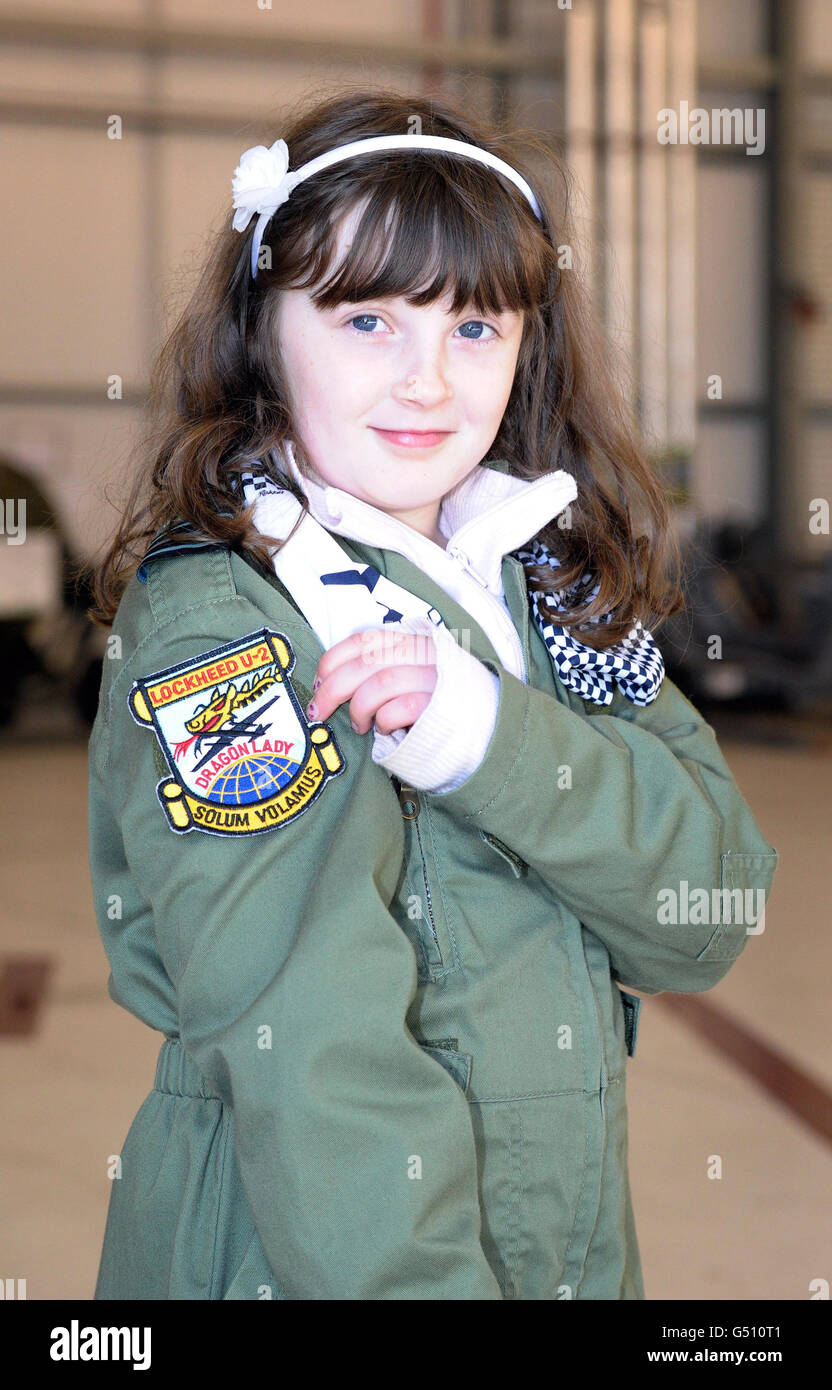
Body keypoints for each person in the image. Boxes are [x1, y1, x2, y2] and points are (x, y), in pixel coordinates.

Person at [86, 88, 778, 1301]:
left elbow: (707, 911)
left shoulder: (550, 579)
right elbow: (311, 1058)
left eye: (473, 327)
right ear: (262, 331)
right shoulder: (226, 628)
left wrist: (489, 739)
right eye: (367, 320)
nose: (427, 383)